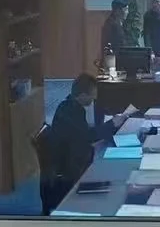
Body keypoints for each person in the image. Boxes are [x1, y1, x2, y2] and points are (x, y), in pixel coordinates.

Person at [40, 74, 136, 215]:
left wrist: (110, 125)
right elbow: (88, 136)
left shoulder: (70, 106)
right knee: (112, 176)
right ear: (83, 95)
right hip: (68, 170)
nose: (93, 100)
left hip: (74, 158)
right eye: (92, 96)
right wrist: (112, 124)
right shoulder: (70, 112)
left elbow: (83, 135)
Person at [99, 0, 130, 65]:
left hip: (116, 61)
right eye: (126, 9)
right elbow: (116, 46)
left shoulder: (118, 23)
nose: (127, 12)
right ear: (117, 11)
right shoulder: (112, 24)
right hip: (113, 62)